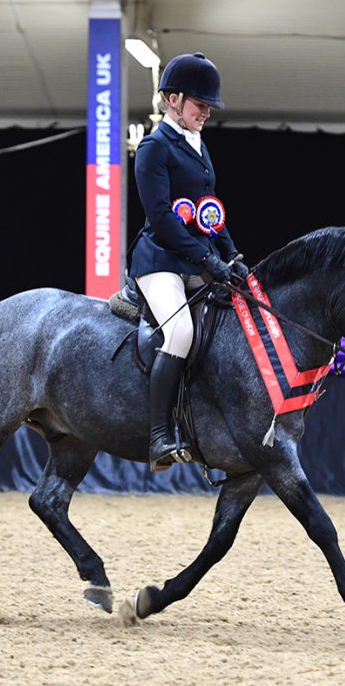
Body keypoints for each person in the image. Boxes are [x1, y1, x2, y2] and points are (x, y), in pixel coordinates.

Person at [130, 52, 247, 471]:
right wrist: (206, 259)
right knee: (180, 331)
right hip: (160, 259)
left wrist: (232, 256)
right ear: (173, 99)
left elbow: (210, 213)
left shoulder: (199, 146)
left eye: (209, 106)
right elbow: (162, 217)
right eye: (200, 104)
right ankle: (159, 437)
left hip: (197, 258)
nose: (207, 112)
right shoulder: (154, 148)